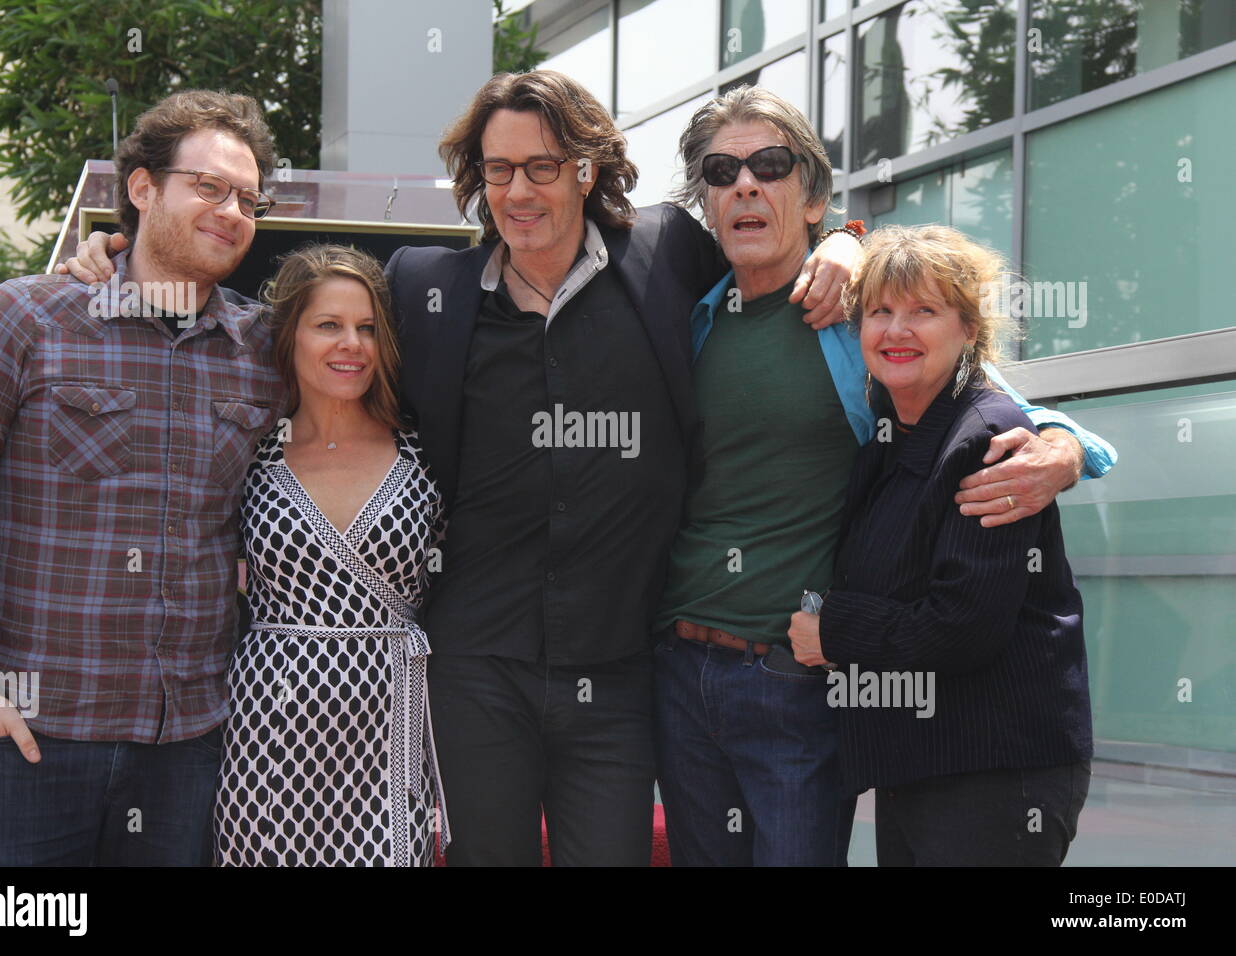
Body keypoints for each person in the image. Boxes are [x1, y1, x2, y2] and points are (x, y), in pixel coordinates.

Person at [63, 69, 867, 867]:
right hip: (474, 669)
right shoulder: (424, 287)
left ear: (587, 171)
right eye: (499, 169)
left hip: (618, 668)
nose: (519, 190)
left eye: (544, 167)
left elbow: (771, 240)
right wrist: (122, 259)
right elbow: (308, 340)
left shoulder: (663, 252)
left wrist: (847, 244)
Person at [651, 87, 1115, 866]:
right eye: (721, 170)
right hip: (680, 668)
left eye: (770, 164)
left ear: (814, 196)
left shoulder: (857, 321)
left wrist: (1065, 443)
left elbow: (986, 400)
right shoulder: (689, 318)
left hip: (794, 678)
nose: (745, 184)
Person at [0, 90, 285, 865]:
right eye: (209, 186)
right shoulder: (27, 317)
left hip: (191, 744)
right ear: (142, 188)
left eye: (248, 198)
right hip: (35, 738)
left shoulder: (263, 350)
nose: (232, 210)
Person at [788, 224, 1094, 866]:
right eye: (880, 312)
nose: (897, 330)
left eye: (924, 311)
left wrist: (832, 630)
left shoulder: (991, 440)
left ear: (970, 330)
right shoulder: (892, 431)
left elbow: (962, 628)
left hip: (996, 774)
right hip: (926, 767)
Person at [215, 243, 446, 866]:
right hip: (269, 726)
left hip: (387, 726)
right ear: (289, 335)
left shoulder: (426, 452)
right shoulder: (249, 450)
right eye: (329, 325)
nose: (352, 344)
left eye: (367, 328)